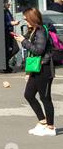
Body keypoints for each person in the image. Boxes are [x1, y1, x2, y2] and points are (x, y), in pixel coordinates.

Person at [16, 7, 56, 136]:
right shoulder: (33, 30)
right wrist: (23, 40)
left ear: (32, 18)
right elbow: (31, 48)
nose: (25, 21)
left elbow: (38, 50)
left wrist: (24, 41)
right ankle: (42, 122)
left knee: (45, 98)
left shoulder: (40, 31)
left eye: (26, 18)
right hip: (35, 68)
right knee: (29, 94)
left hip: (44, 68)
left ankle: (50, 127)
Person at [3, 0, 18, 74]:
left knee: (15, 49)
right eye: (8, 3)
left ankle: (5, 64)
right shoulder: (3, 11)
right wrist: (11, 23)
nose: (9, 5)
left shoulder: (7, 11)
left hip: (10, 32)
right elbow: (3, 23)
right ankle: (5, 65)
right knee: (11, 49)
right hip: (6, 32)